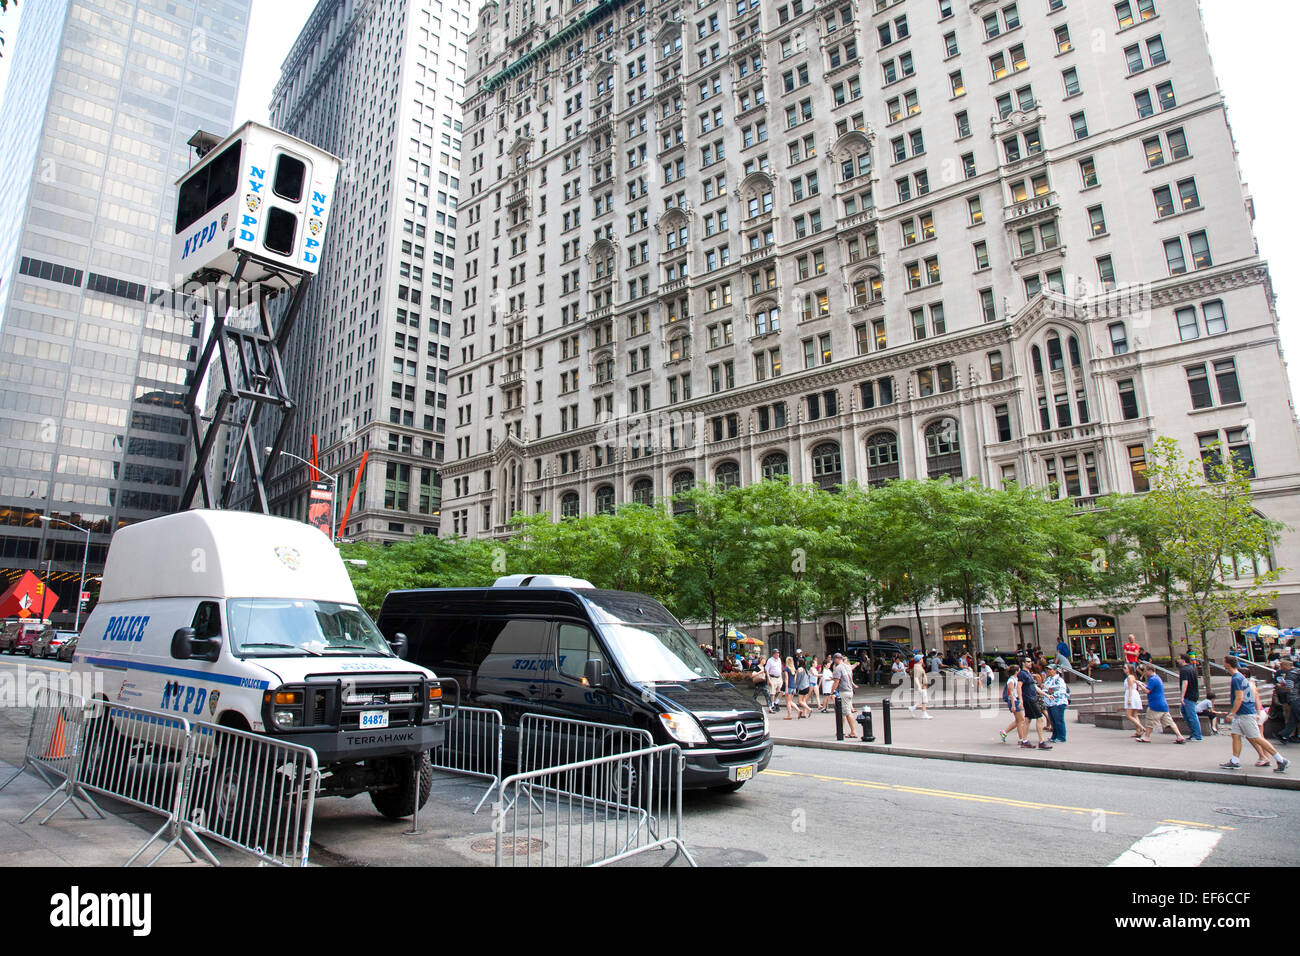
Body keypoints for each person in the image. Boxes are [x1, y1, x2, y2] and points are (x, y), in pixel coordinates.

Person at [1219, 656, 1289, 772]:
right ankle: (1234, 761)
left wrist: (1232, 713)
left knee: (1256, 737)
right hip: (1243, 713)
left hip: (1244, 714)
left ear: (1228, 665)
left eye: (1224, 662)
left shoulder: (1236, 678)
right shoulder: (1240, 677)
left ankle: (1281, 759)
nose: (1223, 664)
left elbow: (1239, 698)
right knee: (1235, 735)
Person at [1135, 663, 1187, 744]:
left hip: (1155, 704)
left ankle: (1147, 737)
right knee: (1170, 722)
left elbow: (1147, 691)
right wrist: (1143, 685)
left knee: (1150, 720)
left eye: (1145, 671)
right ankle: (1179, 736)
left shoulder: (1152, 679)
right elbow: (1150, 688)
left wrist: (1140, 685)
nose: (1144, 673)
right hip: (1163, 704)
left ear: (1150, 670)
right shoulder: (1157, 678)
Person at [1018, 659, 1052, 749]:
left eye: (1030, 661)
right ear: (1023, 663)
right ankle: (1041, 741)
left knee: (1028, 719)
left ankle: (1024, 741)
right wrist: (1021, 700)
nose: (1030, 663)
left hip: (1031, 698)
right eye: (1028, 662)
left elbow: (1035, 687)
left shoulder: (1028, 673)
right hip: (1029, 699)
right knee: (1039, 719)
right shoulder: (1022, 674)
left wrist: (1046, 695)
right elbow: (1018, 687)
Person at [1177, 653, 1203, 742]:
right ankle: (1194, 733)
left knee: (1191, 715)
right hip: (1193, 694)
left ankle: (1197, 735)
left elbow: (1185, 683)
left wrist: (1182, 696)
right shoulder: (1192, 668)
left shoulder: (1184, 670)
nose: (1178, 660)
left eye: (1179, 659)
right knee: (1185, 712)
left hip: (1188, 695)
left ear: (1183, 660)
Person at [831, 652, 857, 738]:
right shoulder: (847, 666)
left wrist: (832, 691)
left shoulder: (838, 668)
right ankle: (840, 730)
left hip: (844, 691)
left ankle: (853, 731)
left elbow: (836, 681)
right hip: (850, 690)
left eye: (834, 659)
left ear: (836, 659)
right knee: (842, 712)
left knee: (847, 712)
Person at [1042, 663, 1069, 743]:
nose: (1048, 671)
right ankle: (1054, 736)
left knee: (1058, 720)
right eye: (1047, 669)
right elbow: (1045, 689)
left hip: (1058, 703)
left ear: (1055, 671)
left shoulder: (1059, 680)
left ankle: (1061, 737)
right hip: (1049, 703)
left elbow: (1062, 691)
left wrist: (1051, 692)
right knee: (1053, 721)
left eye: (1050, 669)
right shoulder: (1048, 679)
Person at [1000, 663, 1025, 745]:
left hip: (1016, 700)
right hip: (1014, 701)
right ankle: (1021, 739)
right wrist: (1014, 705)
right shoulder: (1011, 680)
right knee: (1021, 720)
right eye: (1019, 670)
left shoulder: (1015, 679)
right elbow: (1011, 693)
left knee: (1019, 720)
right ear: (1016, 671)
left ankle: (1005, 732)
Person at [1277, 658, 1299, 743]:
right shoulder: (1297, 671)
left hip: (1295, 699)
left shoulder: (1290, 675)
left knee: (1294, 720)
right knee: (1293, 720)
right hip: (1297, 699)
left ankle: (1283, 735)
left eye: (1282, 665)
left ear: (1287, 665)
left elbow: (1289, 688)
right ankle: (1283, 735)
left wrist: (1280, 686)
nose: (1281, 668)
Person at [1122, 663, 1146, 736]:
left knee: (1128, 715)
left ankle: (1141, 728)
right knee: (1135, 714)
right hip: (1134, 694)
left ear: (1129, 669)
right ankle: (1138, 731)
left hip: (1131, 694)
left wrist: (1129, 699)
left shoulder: (1129, 677)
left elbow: (1130, 688)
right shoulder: (1133, 676)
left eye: (1125, 668)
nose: (1124, 669)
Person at [911, 651, 932, 718]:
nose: (922, 660)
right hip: (922, 686)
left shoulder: (919, 666)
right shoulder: (917, 667)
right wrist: (919, 687)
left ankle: (913, 708)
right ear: (919, 660)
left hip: (923, 685)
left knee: (923, 699)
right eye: (921, 659)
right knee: (924, 700)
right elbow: (916, 678)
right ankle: (923, 713)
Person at [783, 656, 799, 720]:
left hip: (789, 686)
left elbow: (786, 679)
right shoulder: (794, 669)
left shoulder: (786, 669)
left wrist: (786, 688)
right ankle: (798, 710)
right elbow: (795, 679)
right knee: (791, 701)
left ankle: (790, 715)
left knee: (788, 702)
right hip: (793, 686)